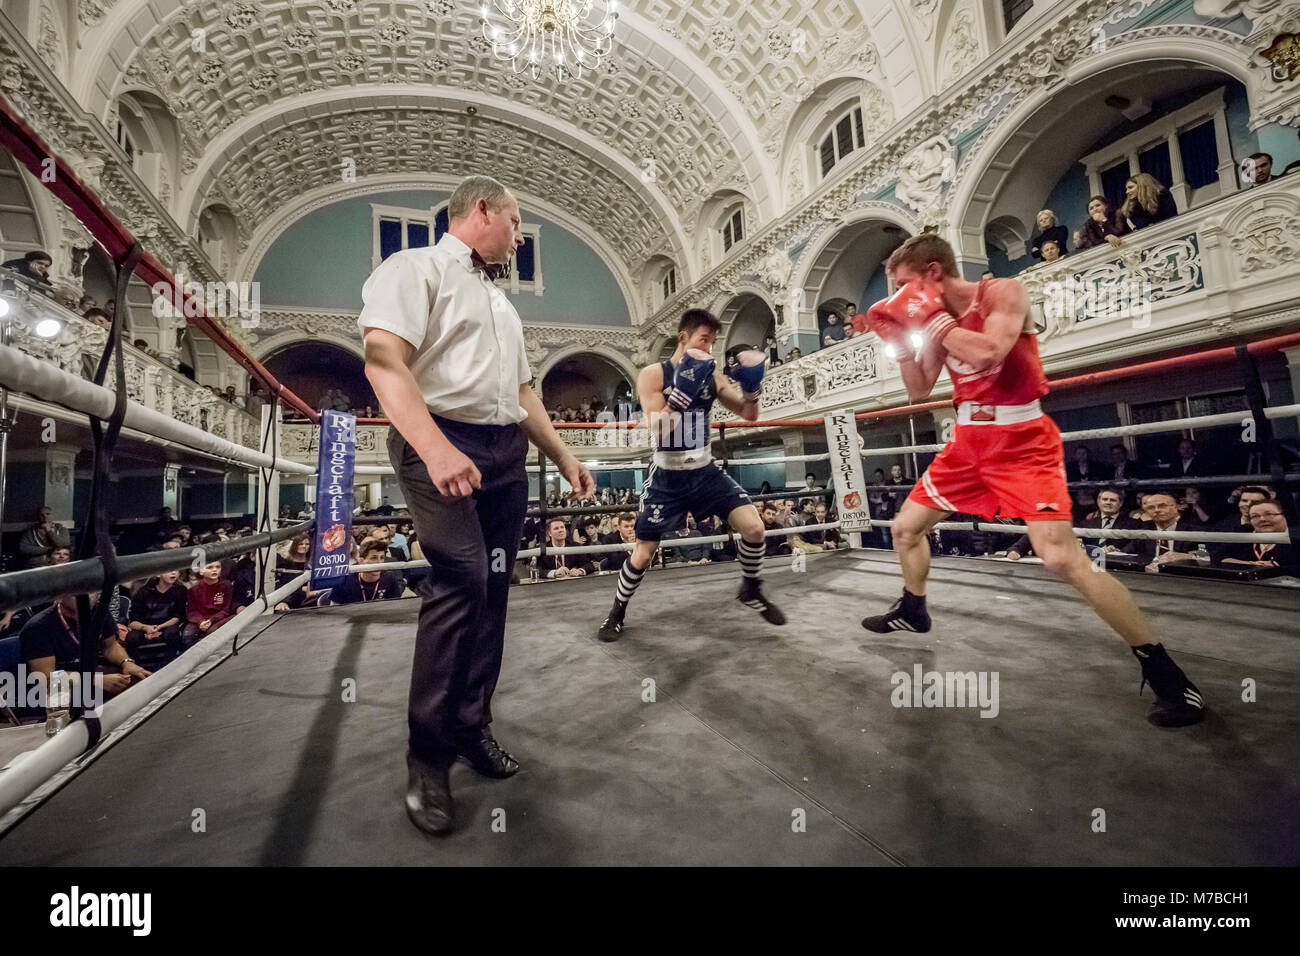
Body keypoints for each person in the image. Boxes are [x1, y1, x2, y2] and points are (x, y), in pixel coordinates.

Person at [854, 233, 1204, 727]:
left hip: (1021, 439)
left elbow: (988, 354)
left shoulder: (1003, 293)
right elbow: (918, 390)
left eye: (904, 284)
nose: (898, 296)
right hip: (967, 442)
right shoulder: (933, 321)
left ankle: (1169, 676)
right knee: (905, 529)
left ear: (933, 272)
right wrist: (899, 341)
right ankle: (914, 607)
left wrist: (930, 318)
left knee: (1060, 557)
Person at [359, 174, 595, 836]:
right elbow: (383, 364)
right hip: (439, 439)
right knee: (461, 577)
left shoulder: (503, 307)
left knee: (492, 587)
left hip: (501, 454)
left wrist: (565, 457)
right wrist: (434, 449)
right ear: (482, 210)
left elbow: (523, 394)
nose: (520, 237)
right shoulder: (412, 268)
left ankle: (471, 725)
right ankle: (426, 756)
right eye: (517, 223)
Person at [596, 313, 785, 641]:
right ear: (683, 337)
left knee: (754, 528)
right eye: (703, 339)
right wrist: (681, 395)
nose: (709, 346)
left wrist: (752, 387)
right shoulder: (654, 374)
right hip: (667, 476)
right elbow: (657, 427)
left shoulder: (713, 376)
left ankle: (751, 589)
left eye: (713, 341)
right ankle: (616, 612)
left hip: (705, 471)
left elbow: (750, 415)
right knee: (643, 552)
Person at [1220, 501, 1299, 572]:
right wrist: (1251, 564)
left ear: (1284, 516)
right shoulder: (1243, 536)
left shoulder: (1296, 538)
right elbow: (1224, 559)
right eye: (1255, 516)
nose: (1262, 519)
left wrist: (1278, 569)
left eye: (1269, 514)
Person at [328, 540, 406, 604]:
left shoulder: (390, 578)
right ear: (361, 561)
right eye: (374, 558)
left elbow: (395, 606)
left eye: (382, 558)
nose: (379, 562)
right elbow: (334, 607)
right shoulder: (345, 579)